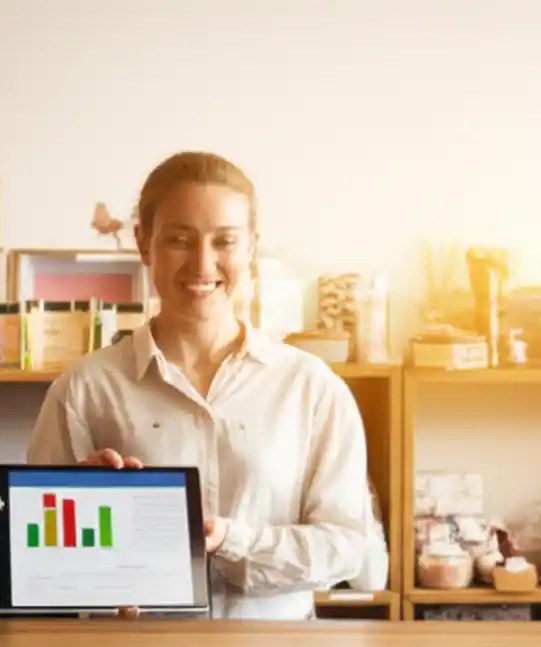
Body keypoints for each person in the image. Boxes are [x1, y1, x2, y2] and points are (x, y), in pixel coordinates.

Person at [26, 150, 373, 620]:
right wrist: (77, 520)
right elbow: (47, 566)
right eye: (179, 240)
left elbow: (347, 545)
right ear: (144, 243)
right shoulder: (86, 389)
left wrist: (231, 541)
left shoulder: (310, 388)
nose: (203, 263)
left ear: (251, 247)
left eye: (224, 241)